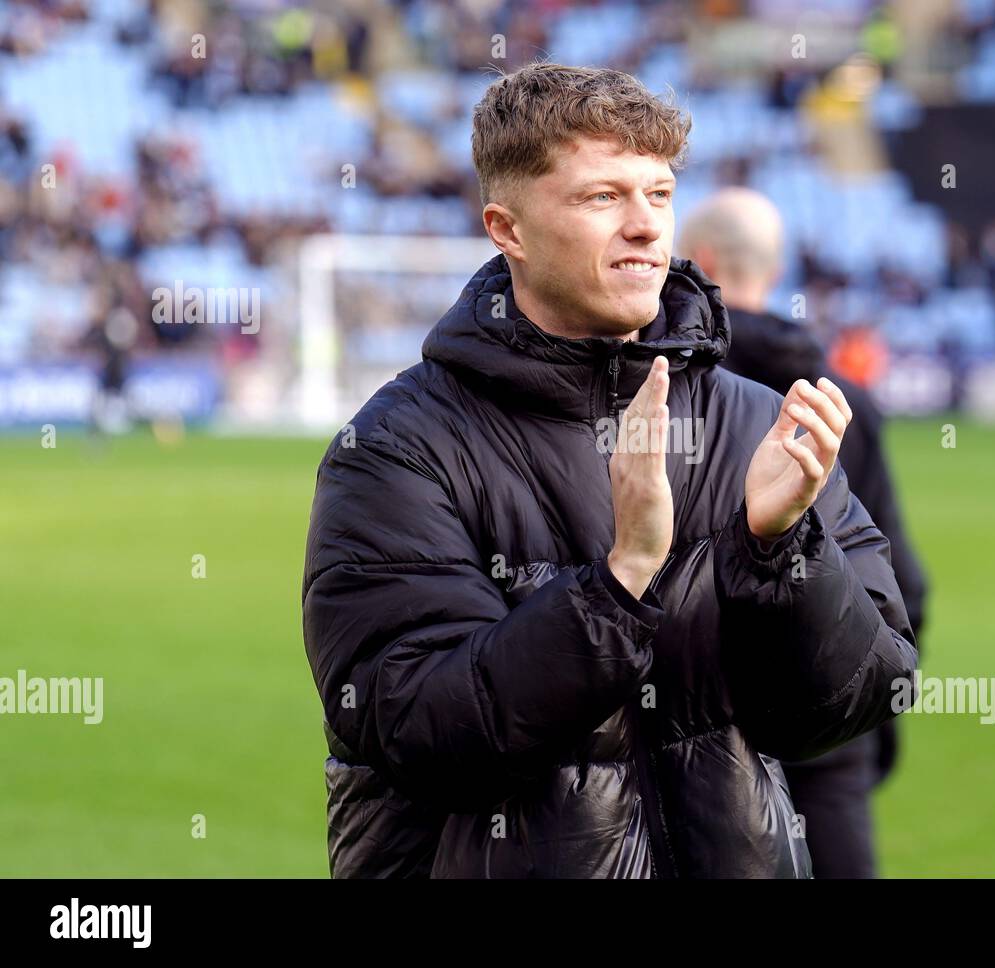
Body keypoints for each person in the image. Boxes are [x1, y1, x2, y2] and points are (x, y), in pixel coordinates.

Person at [301, 62, 917, 878]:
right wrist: (619, 582)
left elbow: (858, 701)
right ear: (507, 229)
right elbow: (418, 728)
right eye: (603, 198)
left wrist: (779, 553)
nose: (644, 226)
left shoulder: (750, 419)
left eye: (658, 195)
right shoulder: (397, 448)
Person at [679, 187, 928, 877]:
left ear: (697, 259)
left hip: (699, 714)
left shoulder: (660, 384)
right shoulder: (845, 401)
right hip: (826, 717)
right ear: (773, 265)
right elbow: (901, 581)